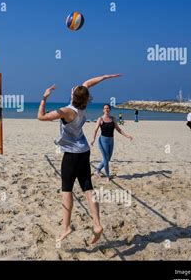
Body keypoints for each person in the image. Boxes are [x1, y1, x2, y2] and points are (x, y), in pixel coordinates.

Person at [37, 74, 122, 244]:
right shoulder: (82, 105)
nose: (75, 87)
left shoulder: (68, 111)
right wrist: (106, 77)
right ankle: (97, 224)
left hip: (72, 155)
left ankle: (66, 227)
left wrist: (44, 98)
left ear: (73, 95)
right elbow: (88, 83)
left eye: (75, 89)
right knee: (88, 188)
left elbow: (41, 116)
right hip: (84, 152)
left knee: (66, 191)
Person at [91, 104, 133, 181]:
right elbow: (95, 130)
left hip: (111, 140)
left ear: (110, 110)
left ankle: (97, 170)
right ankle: (107, 176)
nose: (106, 109)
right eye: (105, 108)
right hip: (103, 140)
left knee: (108, 158)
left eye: (108, 108)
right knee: (106, 159)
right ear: (103, 110)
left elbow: (118, 129)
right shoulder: (100, 119)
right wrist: (93, 139)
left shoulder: (113, 119)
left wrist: (127, 136)